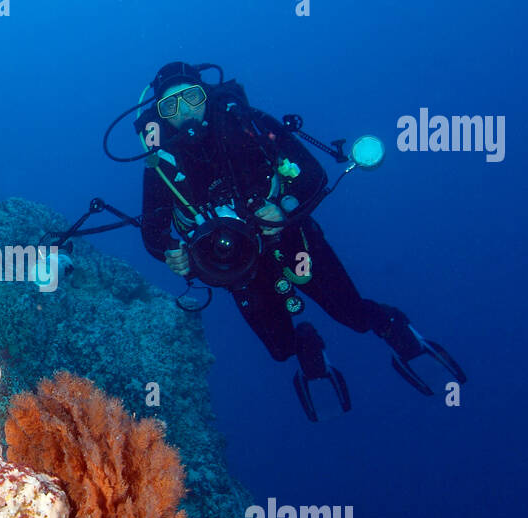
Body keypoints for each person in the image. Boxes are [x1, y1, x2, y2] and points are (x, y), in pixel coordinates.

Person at [135, 61, 465, 420]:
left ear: (207, 94)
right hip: (238, 267)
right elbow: (152, 230)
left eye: (191, 97)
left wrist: (283, 208)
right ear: (160, 117)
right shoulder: (161, 164)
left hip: (296, 242)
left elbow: (313, 174)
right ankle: (306, 344)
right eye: (171, 106)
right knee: (280, 350)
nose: (184, 112)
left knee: (352, 315)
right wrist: (172, 252)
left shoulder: (247, 123)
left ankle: (394, 327)